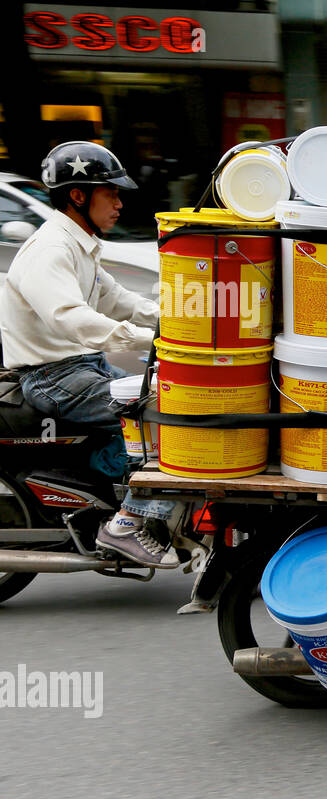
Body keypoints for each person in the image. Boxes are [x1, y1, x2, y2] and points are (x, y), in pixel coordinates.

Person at [0, 141, 179, 569]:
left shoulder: (80, 245)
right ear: (78, 195)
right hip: (54, 377)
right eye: (110, 193)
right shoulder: (51, 250)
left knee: (152, 398)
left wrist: (180, 323)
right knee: (159, 408)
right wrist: (148, 341)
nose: (119, 203)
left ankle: (116, 493)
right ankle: (126, 523)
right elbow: (71, 318)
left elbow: (119, 300)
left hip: (79, 367)